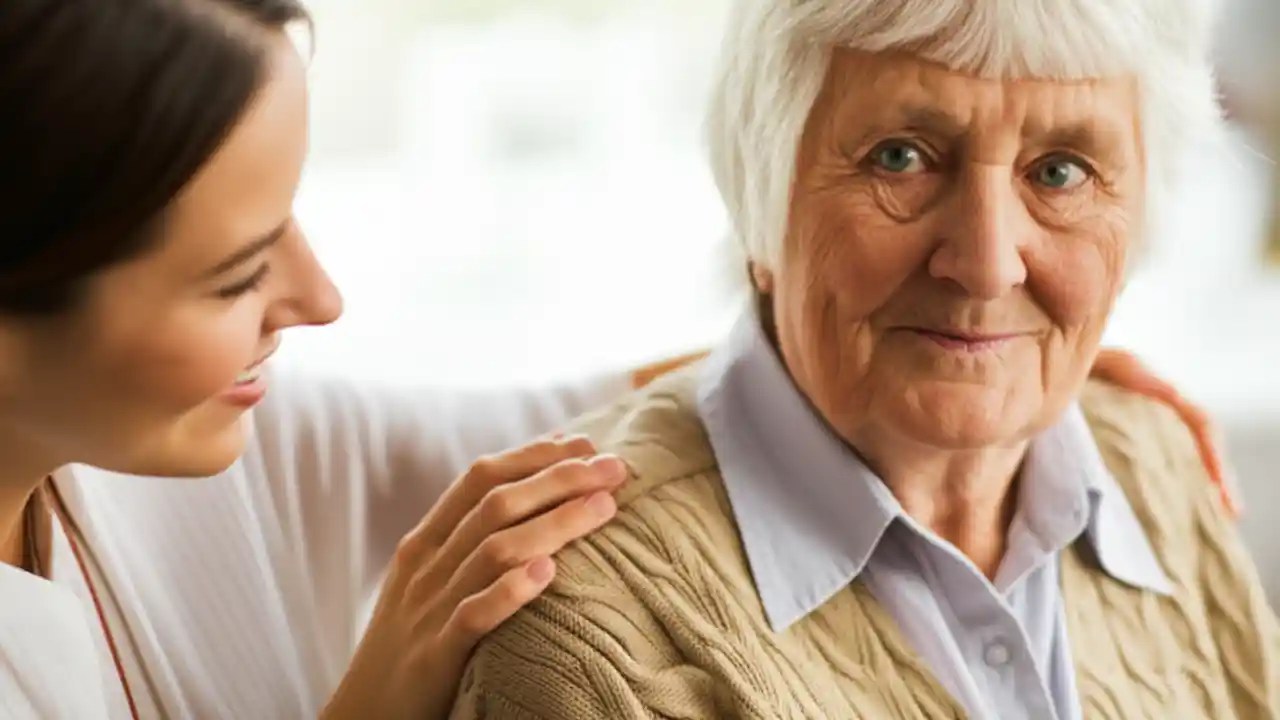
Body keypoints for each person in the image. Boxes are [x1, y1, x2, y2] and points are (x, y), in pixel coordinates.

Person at [0, 0, 1232, 718]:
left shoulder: (186, 436)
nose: (321, 297)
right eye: (237, 270)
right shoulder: (590, 646)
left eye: (1059, 173)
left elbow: (575, 412)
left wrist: (980, 339)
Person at [449, 0, 1280, 718]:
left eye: (1059, 173)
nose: (988, 263)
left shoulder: (1160, 467)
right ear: (760, 200)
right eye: (901, 157)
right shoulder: (585, 632)